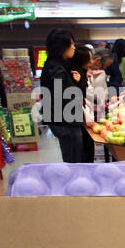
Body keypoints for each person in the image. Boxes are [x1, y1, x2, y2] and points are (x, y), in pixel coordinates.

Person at [37, 29, 88, 163]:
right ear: (62, 47)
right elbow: (63, 96)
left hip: (65, 120)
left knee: (73, 156)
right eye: (71, 44)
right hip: (66, 121)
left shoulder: (58, 65)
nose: (73, 47)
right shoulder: (56, 68)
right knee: (73, 158)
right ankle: (73, 182)